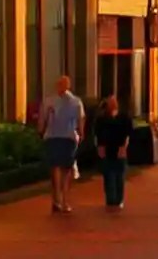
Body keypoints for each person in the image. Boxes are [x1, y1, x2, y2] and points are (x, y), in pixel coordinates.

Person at [38, 75, 85, 213]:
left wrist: (40, 131)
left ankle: (58, 199)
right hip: (67, 137)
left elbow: (42, 119)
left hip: (56, 137)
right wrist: (81, 133)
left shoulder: (51, 101)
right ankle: (62, 199)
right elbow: (81, 119)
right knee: (65, 168)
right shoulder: (75, 101)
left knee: (57, 167)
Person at [94, 96, 132, 210]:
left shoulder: (124, 117)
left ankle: (119, 199)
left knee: (119, 176)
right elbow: (97, 134)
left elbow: (128, 133)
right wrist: (100, 148)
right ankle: (110, 200)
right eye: (110, 103)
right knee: (108, 175)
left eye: (113, 102)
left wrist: (124, 147)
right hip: (107, 149)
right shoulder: (101, 119)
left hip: (119, 149)